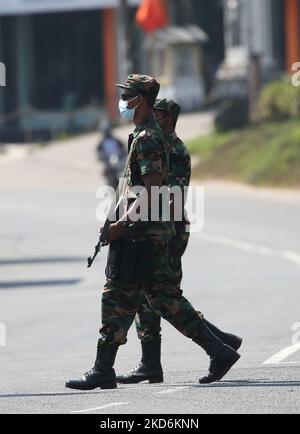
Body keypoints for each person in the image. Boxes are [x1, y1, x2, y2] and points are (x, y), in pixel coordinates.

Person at [65, 75, 241, 391]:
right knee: (161, 298)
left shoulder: (147, 138)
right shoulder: (144, 135)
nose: (123, 102)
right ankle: (219, 349)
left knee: (117, 297)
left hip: (141, 236)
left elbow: (153, 192)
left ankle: (103, 369)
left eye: (128, 96)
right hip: (146, 232)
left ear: (141, 100)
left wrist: (123, 225)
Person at [116, 99, 242, 385]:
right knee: (153, 295)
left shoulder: (172, 149)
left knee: (163, 296)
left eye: (157, 115)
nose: (152, 119)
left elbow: (164, 196)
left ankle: (217, 349)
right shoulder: (155, 143)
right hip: (152, 227)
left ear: (169, 118)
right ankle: (156, 362)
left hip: (166, 229)